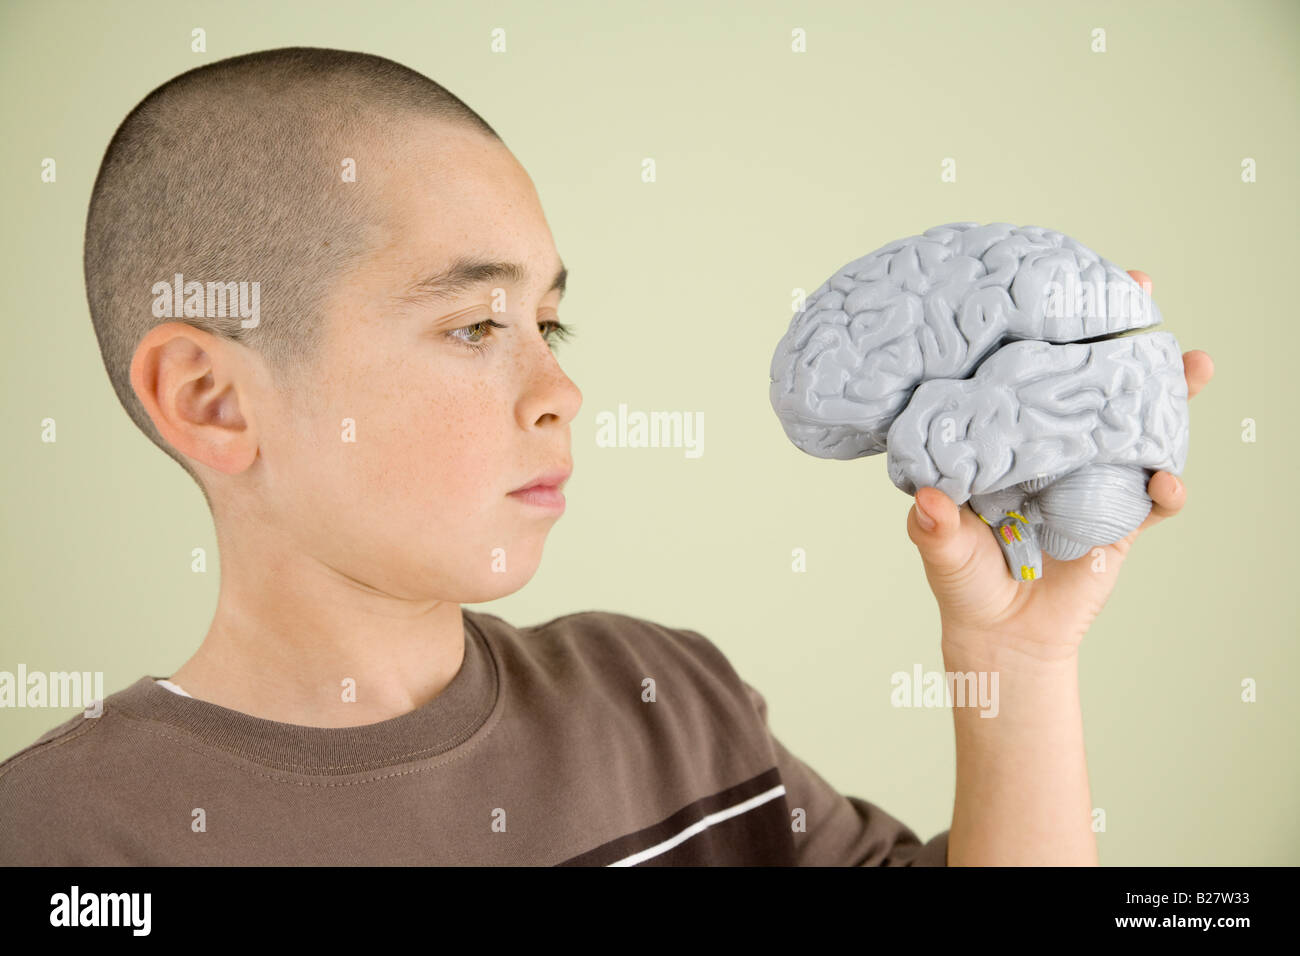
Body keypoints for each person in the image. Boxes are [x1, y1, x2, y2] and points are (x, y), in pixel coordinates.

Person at [0, 47, 1214, 865]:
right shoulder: (62, 840)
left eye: (551, 321)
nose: (561, 389)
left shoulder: (664, 704)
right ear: (213, 399)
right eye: (475, 325)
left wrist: (1013, 658)